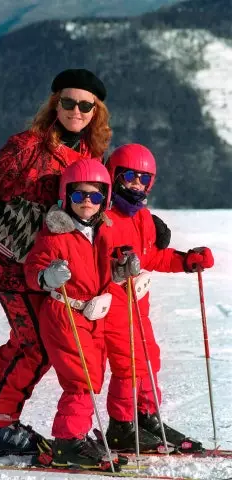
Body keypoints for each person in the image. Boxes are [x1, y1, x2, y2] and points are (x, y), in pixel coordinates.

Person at [0, 69, 112, 452]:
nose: (76, 111)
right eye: (68, 101)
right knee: (37, 346)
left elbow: (98, 202)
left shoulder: (89, 154)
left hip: (48, 266)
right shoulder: (26, 147)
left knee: (26, 341)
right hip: (9, 261)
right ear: (55, 103)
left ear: (96, 111)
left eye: (85, 105)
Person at [24, 157, 138, 467]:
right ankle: (68, 441)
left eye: (95, 196)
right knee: (81, 378)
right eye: (79, 195)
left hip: (92, 316)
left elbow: (105, 270)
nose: (87, 202)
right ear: (66, 195)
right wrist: (47, 275)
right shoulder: (55, 232)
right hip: (64, 314)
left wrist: (120, 271)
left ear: (105, 199)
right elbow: (33, 268)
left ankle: (76, 433)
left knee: (93, 374)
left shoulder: (103, 231)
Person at [103, 144, 214, 453]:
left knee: (149, 356)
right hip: (111, 303)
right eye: (128, 176)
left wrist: (186, 261)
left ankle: (145, 416)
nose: (136, 184)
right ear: (114, 176)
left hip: (137, 305)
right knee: (128, 363)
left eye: (143, 178)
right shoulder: (104, 216)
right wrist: (114, 263)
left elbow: (153, 256)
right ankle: (121, 426)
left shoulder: (141, 217)